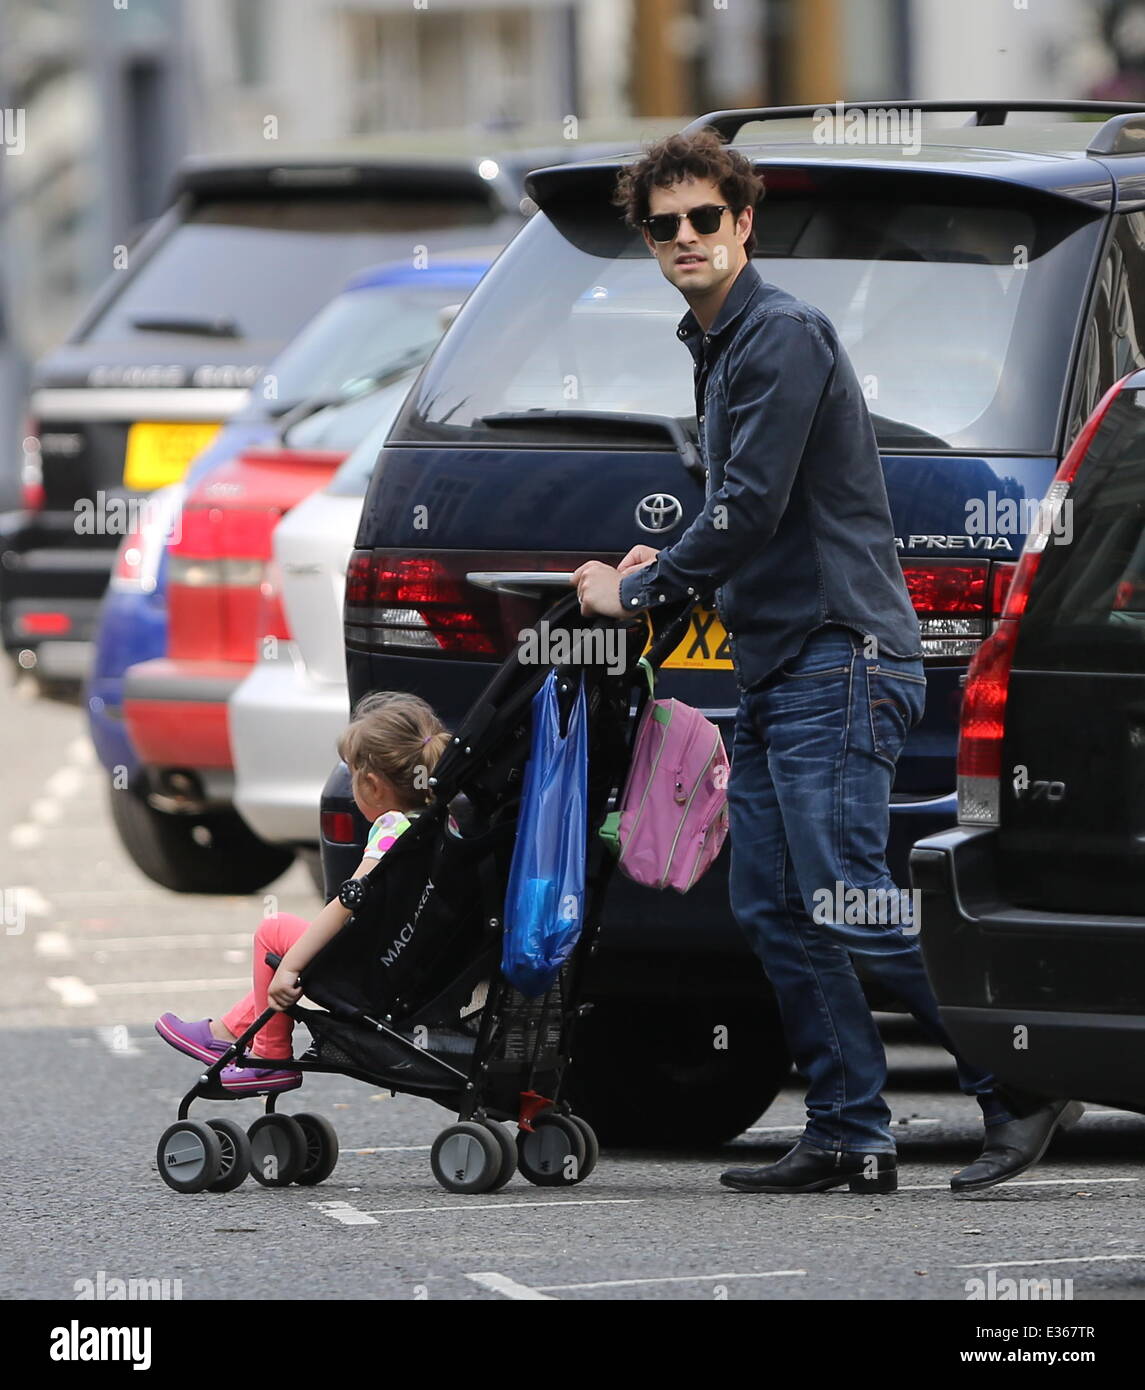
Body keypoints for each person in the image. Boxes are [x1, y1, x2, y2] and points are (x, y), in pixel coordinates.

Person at [573, 130, 1081, 1194]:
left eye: (702, 218)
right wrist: (662, 562)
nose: (682, 238)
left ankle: (1021, 1082)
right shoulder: (718, 343)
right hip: (779, 668)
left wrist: (645, 586)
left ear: (742, 222)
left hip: (837, 660)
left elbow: (749, 508)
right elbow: (754, 511)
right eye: (661, 226)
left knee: (844, 894)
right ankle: (850, 1125)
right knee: (770, 903)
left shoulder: (780, 335)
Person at [155, 691, 451, 1094]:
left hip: (372, 970)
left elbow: (351, 898)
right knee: (290, 942)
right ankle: (227, 1030)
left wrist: (291, 966)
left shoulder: (392, 828)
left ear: (371, 784)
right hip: (411, 963)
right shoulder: (438, 823)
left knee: (274, 932)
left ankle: (269, 1056)